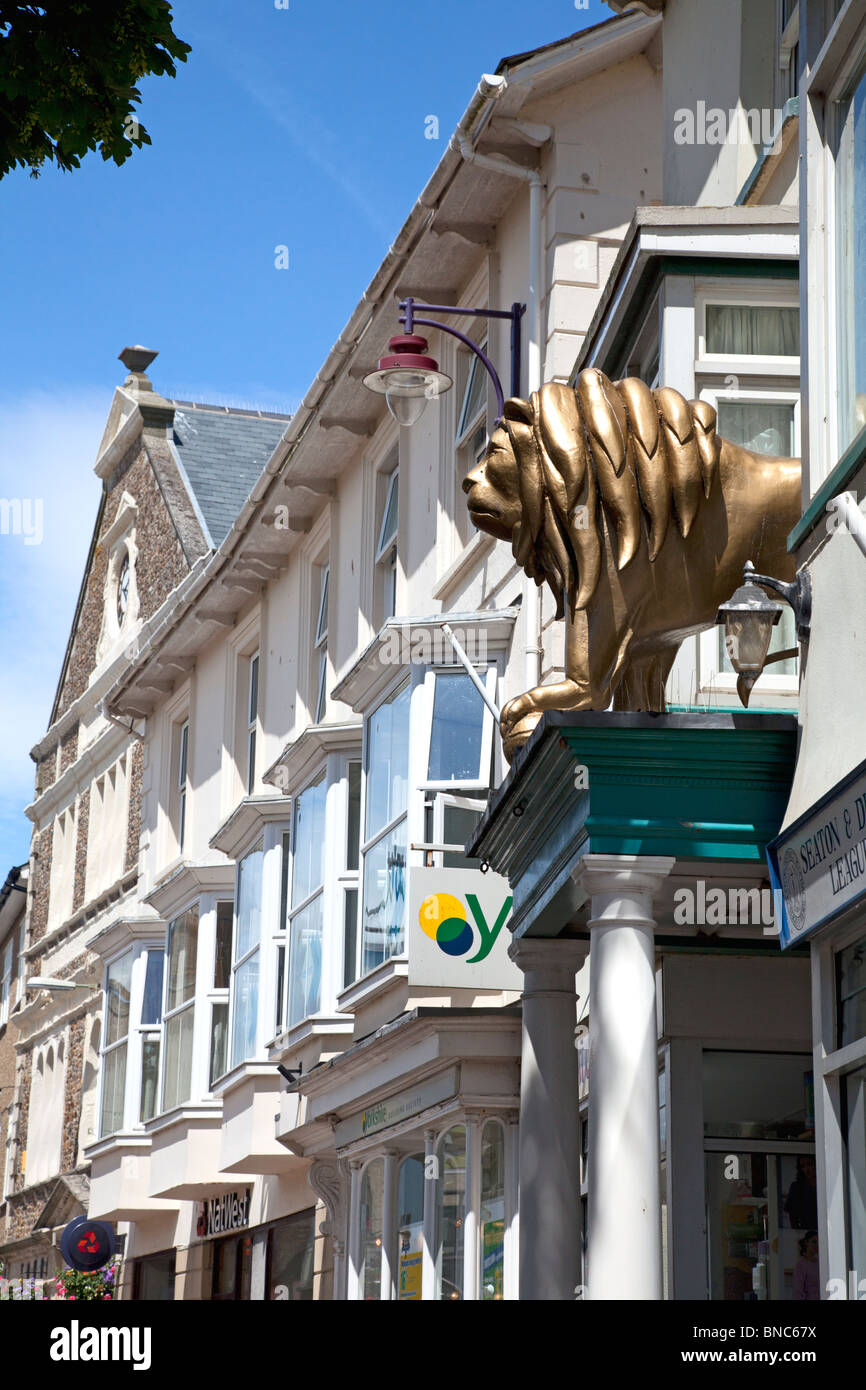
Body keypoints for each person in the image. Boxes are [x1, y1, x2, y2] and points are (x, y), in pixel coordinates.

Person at [785, 1156, 818, 1229]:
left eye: (810, 1164)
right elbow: (792, 1215)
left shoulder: (825, 1185)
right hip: (804, 1230)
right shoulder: (796, 1187)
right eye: (803, 1166)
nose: (807, 1169)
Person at [793, 1231, 820, 1301]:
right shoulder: (801, 1265)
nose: (816, 1245)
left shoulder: (820, 1263)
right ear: (807, 1242)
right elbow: (798, 1292)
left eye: (818, 1242)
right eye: (814, 1242)